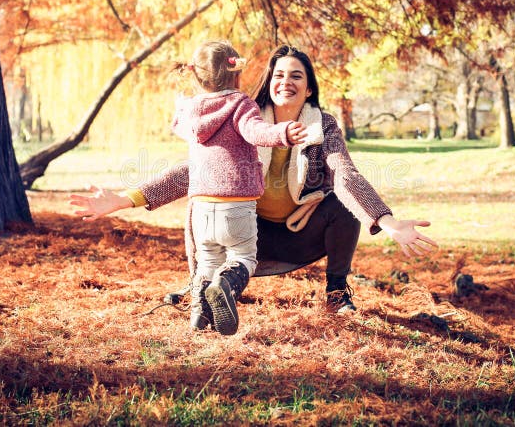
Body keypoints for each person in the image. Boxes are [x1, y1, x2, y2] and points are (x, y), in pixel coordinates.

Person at [70, 44, 437, 322]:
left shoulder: (322, 125)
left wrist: (386, 220)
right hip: (247, 231)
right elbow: (192, 172)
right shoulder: (243, 117)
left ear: (309, 89)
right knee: (203, 199)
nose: (286, 82)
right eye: (279, 75)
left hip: (297, 235)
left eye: (296, 76)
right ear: (269, 82)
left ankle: (336, 292)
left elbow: (344, 173)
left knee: (341, 206)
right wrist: (125, 199)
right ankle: (202, 286)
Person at [74, 41, 305, 336]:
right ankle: (226, 284)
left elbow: (181, 151)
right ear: (236, 75)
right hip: (236, 204)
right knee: (243, 258)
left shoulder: (190, 111)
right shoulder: (240, 104)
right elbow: (255, 132)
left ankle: (200, 317)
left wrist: (123, 198)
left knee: (207, 263)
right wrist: (282, 133)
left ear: (196, 76)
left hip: (201, 210)